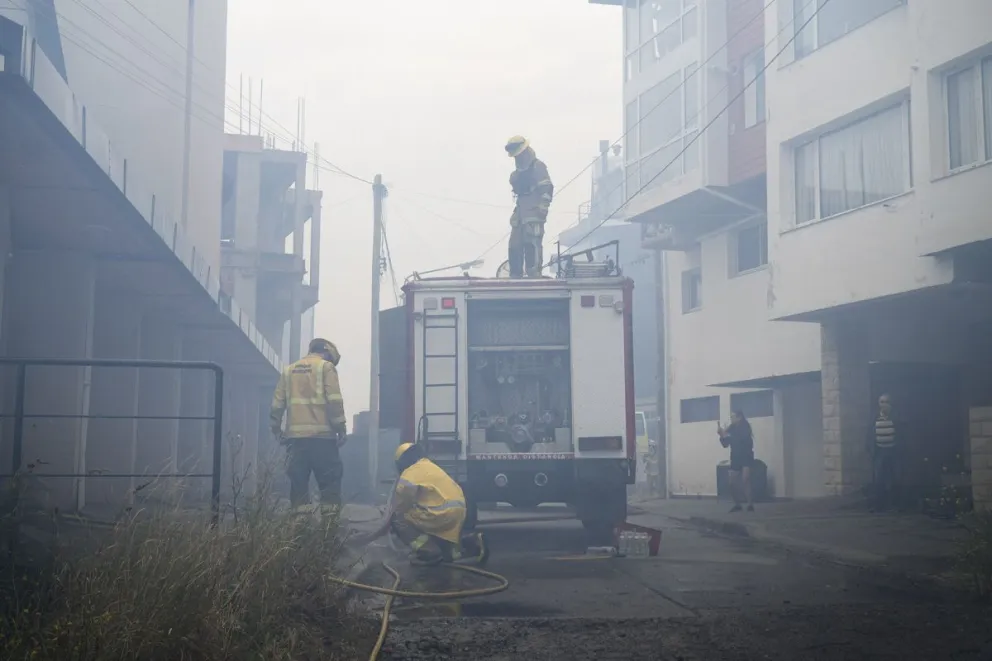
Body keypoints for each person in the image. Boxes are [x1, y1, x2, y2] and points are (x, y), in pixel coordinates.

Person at [356, 443, 488, 566]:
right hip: (459, 512)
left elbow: (401, 505)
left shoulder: (410, 473)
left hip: (440, 515)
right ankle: (474, 543)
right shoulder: (430, 466)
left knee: (398, 519)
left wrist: (389, 518)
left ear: (402, 461)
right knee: (451, 555)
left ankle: (428, 551)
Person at [269, 338, 348, 515]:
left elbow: (276, 405)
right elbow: (334, 401)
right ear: (328, 353)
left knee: (298, 487)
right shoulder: (326, 368)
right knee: (329, 486)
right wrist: (340, 428)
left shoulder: (289, 371)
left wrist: (276, 429)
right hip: (323, 440)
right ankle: (328, 532)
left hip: (295, 441)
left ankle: (300, 534)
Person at [505, 135, 553, 278]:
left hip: (534, 216)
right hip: (520, 217)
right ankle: (515, 275)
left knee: (532, 246)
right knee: (514, 246)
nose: (517, 159)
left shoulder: (538, 167)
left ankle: (534, 275)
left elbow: (547, 188)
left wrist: (542, 210)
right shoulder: (518, 173)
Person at [868, 393, 899, 512]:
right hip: (879, 452)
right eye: (882, 402)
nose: (884, 405)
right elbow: (869, 435)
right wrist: (871, 451)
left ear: (890, 404)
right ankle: (878, 506)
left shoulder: (896, 418)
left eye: (886, 402)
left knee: (892, 479)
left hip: (892, 452)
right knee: (878, 480)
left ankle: (892, 506)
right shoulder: (874, 418)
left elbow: (902, 436)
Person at [718, 411, 754, 512]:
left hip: (746, 456)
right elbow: (725, 444)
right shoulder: (731, 428)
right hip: (736, 457)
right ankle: (737, 504)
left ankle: (750, 504)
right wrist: (722, 436)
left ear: (740, 417)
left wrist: (726, 434)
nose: (732, 419)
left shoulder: (745, 427)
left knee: (745, 480)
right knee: (732, 483)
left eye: (733, 417)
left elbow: (741, 438)